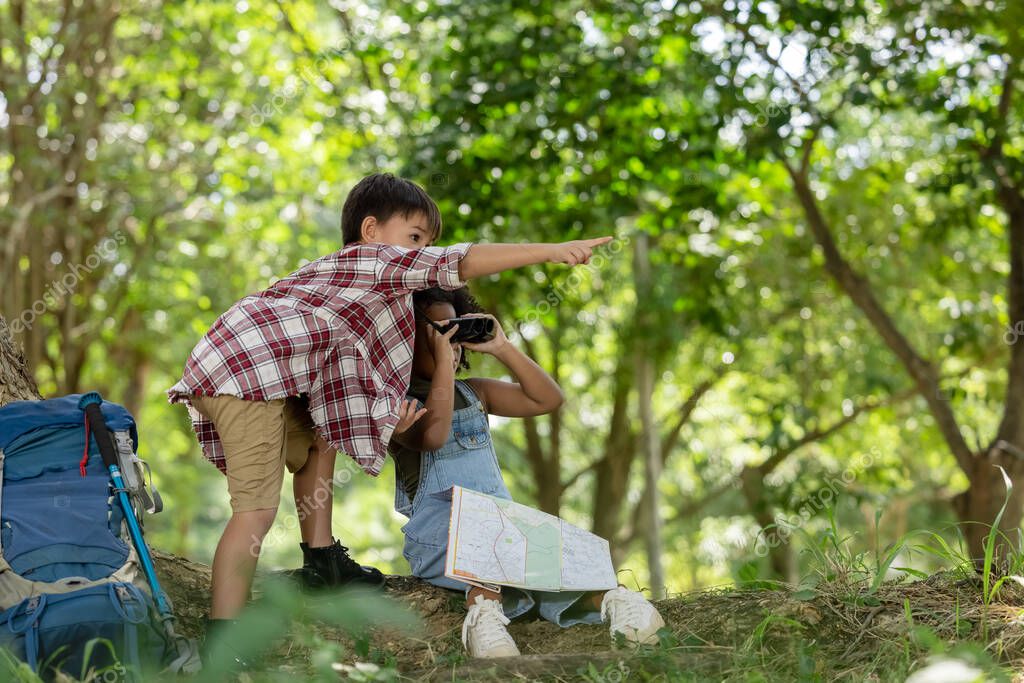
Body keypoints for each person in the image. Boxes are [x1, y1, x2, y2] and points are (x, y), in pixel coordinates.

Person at [165, 172, 614, 640]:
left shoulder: (370, 307)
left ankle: (321, 560)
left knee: (324, 435)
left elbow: (347, 402)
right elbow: (459, 262)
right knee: (255, 510)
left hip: (261, 375)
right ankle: (223, 636)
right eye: (415, 238)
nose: (421, 252)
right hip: (245, 372)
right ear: (372, 231)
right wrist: (552, 250)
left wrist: (476, 353)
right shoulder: (375, 261)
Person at [389, 286, 665, 658]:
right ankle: (483, 616)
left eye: (457, 334)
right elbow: (435, 435)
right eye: (441, 334)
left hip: (502, 527)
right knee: (490, 547)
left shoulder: (476, 394)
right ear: (404, 341)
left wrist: (502, 347)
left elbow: (547, 398)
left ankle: (615, 601)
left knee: (547, 559)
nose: (451, 345)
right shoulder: (397, 408)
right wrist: (441, 363)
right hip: (440, 534)